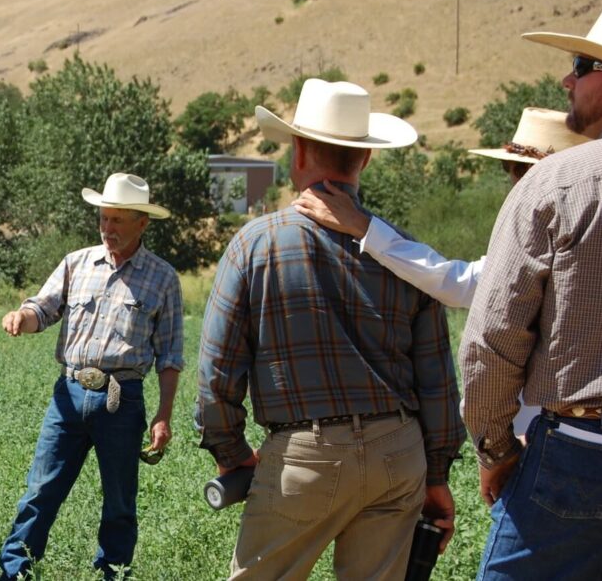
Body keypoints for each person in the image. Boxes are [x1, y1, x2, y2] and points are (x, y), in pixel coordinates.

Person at [196, 79, 464, 580]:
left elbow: (216, 374)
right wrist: (437, 471)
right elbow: (436, 379)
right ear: (364, 159)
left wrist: (231, 454)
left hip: (303, 457)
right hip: (398, 454)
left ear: (297, 150)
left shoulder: (255, 244)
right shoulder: (406, 253)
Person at [290, 107, 591, 439]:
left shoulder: (540, 236)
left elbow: (456, 284)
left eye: (520, 172)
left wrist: (365, 228)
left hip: (550, 433)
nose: (515, 184)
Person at [460, 14, 602, 579]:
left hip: (579, 449)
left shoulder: (558, 184)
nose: (568, 82)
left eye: (582, 66)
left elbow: (491, 341)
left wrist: (496, 449)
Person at [0, 173, 183, 580]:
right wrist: (21, 317)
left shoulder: (163, 278)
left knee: (119, 503)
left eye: (118, 219)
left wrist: (164, 414)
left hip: (122, 399)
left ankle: (112, 574)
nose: (108, 228)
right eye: (103, 218)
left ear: (142, 223)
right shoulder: (77, 263)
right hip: (69, 393)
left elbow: (170, 355)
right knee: (40, 492)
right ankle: (15, 573)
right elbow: (42, 309)